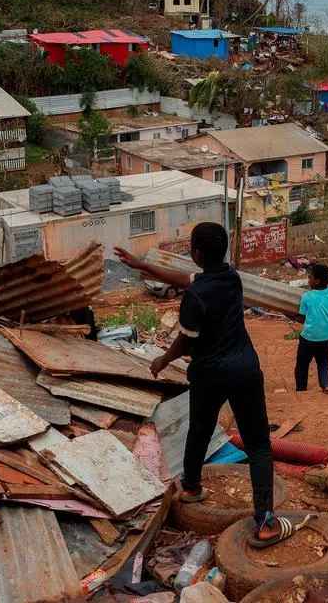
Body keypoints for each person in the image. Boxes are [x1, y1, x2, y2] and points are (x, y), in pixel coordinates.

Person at [114, 222, 297, 548]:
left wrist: (162, 360)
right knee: (258, 445)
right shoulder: (232, 278)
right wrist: (142, 265)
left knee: (200, 428)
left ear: (195, 253)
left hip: (209, 373)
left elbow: (184, 343)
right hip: (244, 370)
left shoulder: (194, 299)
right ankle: (266, 521)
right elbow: (187, 280)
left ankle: (192, 487)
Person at [294, 263, 328, 394]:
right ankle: (326, 384)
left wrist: (291, 315)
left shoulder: (307, 297)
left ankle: (301, 390)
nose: (308, 280)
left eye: (310, 278)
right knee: (323, 360)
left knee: (302, 364)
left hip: (309, 337)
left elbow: (302, 318)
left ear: (317, 281)